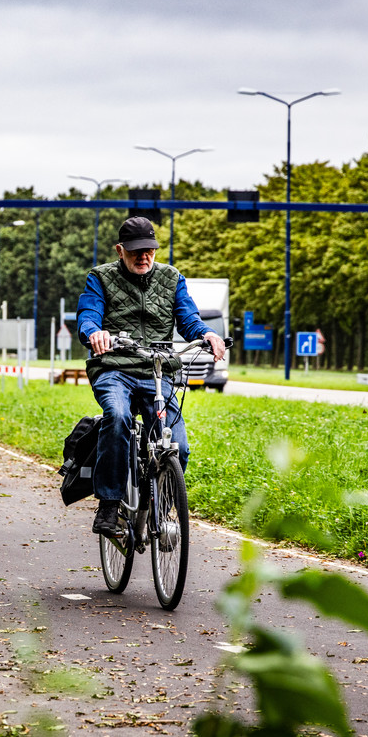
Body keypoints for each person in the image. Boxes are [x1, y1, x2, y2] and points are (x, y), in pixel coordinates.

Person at [77, 216, 226, 537]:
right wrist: (95, 333)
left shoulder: (172, 278)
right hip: (114, 367)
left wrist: (207, 334)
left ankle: (162, 508)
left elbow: (188, 318)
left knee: (178, 446)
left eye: (149, 250)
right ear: (120, 250)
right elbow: (88, 315)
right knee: (117, 416)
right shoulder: (99, 278)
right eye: (135, 251)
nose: (143, 257)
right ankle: (109, 505)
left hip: (157, 370)